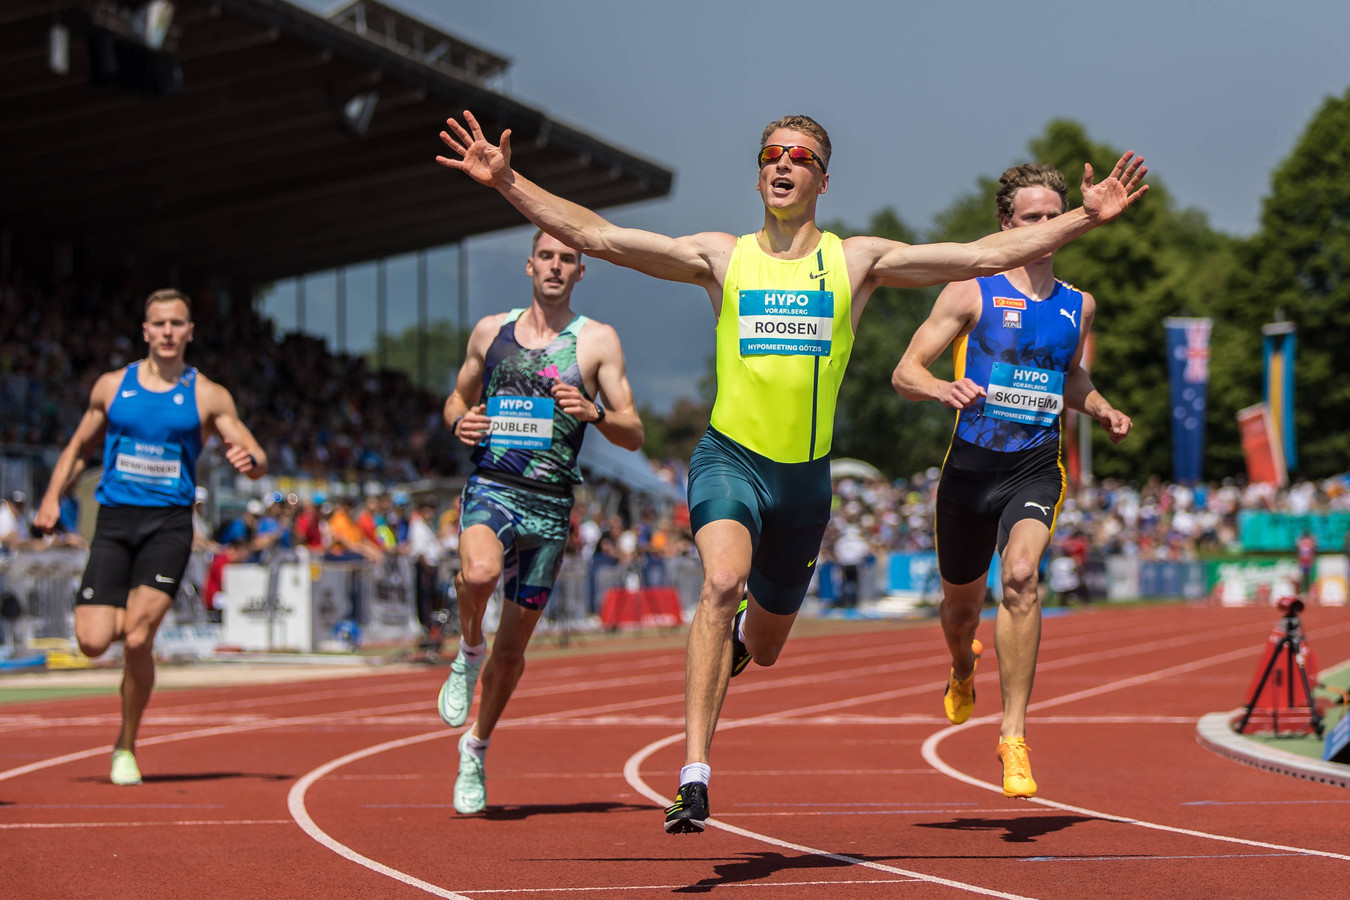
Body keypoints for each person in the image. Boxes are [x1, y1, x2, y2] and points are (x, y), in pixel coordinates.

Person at [435, 110, 1148, 832]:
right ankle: (693, 776)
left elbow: (977, 256)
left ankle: (748, 639)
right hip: (729, 457)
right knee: (718, 582)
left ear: (821, 179)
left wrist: (1084, 222)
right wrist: (507, 181)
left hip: (804, 482)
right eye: (772, 154)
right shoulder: (721, 256)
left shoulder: (854, 261)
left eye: (800, 156)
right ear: (758, 174)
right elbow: (600, 237)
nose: (784, 163)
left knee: (766, 647)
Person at [890, 164, 1133, 799]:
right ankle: (960, 664)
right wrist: (943, 386)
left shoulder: (1079, 304)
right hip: (969, 470)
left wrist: (1100, 406)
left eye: (1056, 215)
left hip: (1033, 463)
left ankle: (1013, 735)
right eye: (1033, 218)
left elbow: (1069, 377)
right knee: (960, 609)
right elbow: (905, 371)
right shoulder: (971, 290)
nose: (1047, 227)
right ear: (1007, 225)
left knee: (1022, 577)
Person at [436, 230, 644, 815]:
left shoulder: (596, 341)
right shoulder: (490, 331)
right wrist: (460, 422)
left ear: (581, 272)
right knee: (476, 576)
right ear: (530, 265)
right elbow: (456, 399)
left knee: (514, 651)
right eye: (547, 256)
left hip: (551, 506)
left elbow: (634, 433)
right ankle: (465, 651)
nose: (556, 266)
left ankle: (475, 748)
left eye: (568, 259)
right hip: (493, 485)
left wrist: (595, 413)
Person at [33, 288, 267, 786]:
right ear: (145, 331)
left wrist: (250, 463)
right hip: (115, 521)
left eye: (176, 323)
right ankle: (123, 617)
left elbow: (253, 454)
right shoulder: (112, 386)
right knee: (94, 642)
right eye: (158, 324)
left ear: (189, 332)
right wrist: (52, 498)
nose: (167, 332)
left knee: (138, 638)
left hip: (169, 524)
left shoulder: (207, 394)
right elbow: (78, 446)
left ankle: (125, 745)